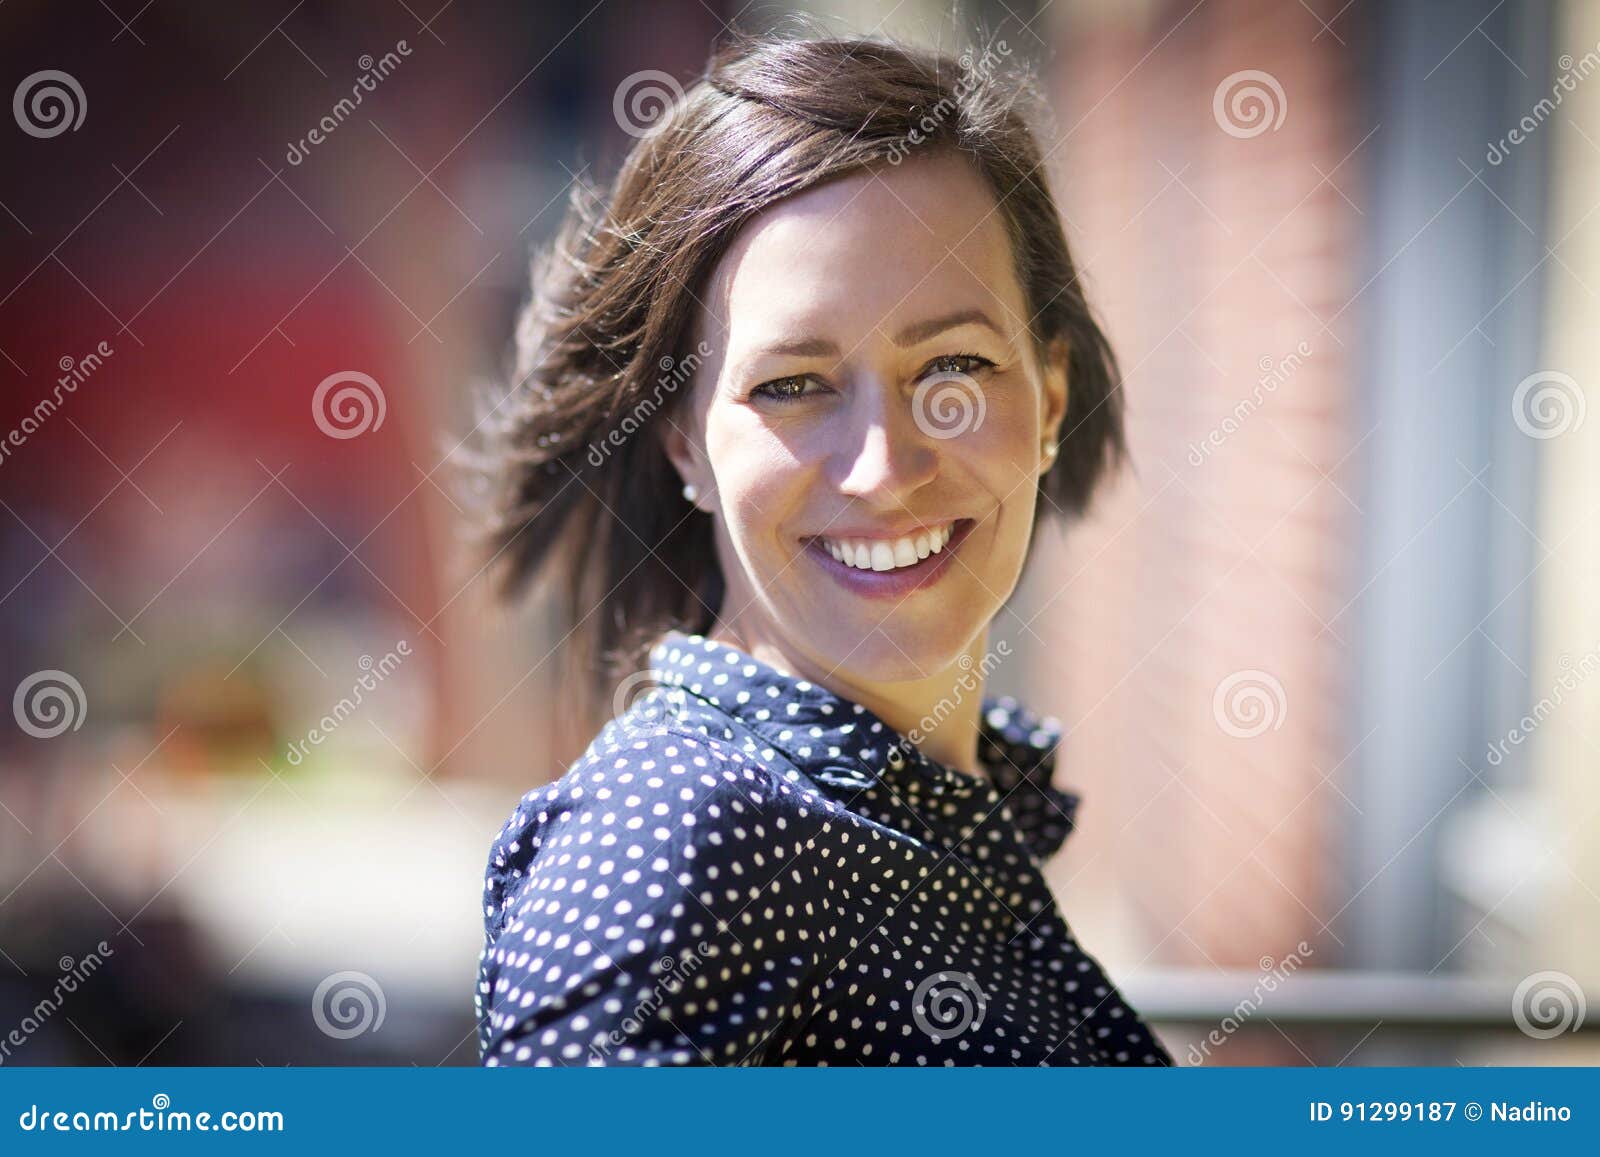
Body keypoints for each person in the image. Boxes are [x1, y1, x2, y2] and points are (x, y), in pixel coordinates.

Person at [470, 31, 1171, 1067]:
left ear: (1051, 397)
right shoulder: (673, 833)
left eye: (954, 364)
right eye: (791, 384)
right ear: (683, 443)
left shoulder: (942, 810)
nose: (882, 468)